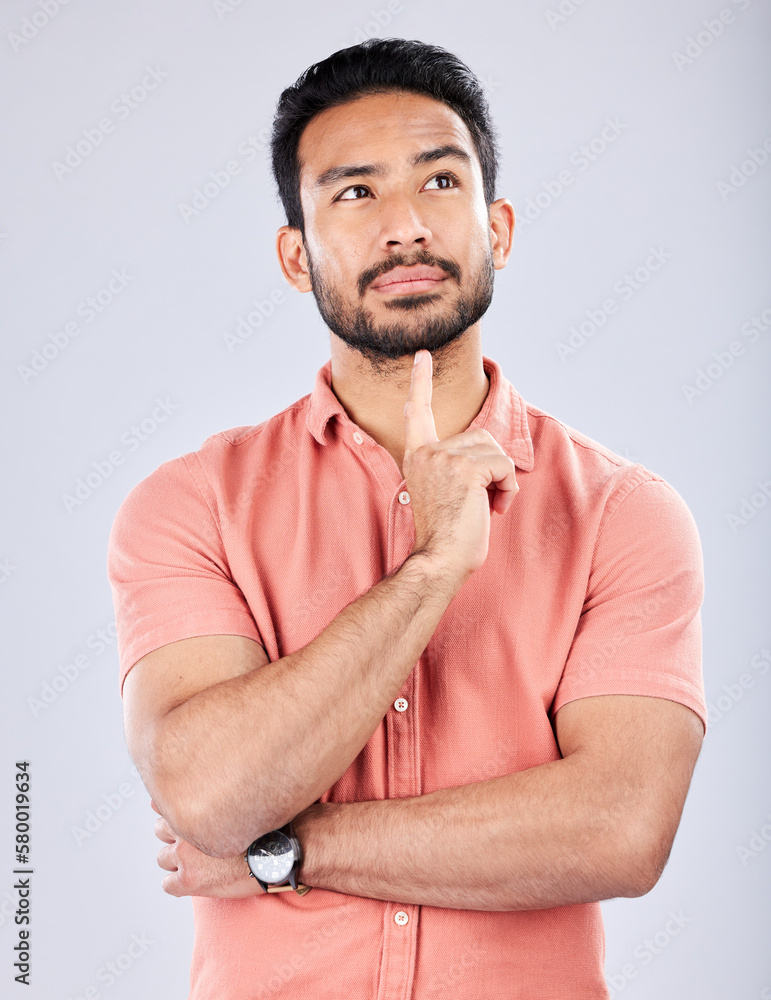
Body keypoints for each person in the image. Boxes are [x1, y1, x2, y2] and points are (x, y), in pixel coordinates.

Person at [107, 37, 707, 999]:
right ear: (295, 257)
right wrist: (430, 568)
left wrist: (289, 850)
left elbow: (618, 831)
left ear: (498, 229)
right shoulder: (191, 504)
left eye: (438, 182)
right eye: (354, 193)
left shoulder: (625, 515)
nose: (404, 228)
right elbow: (210, 795)